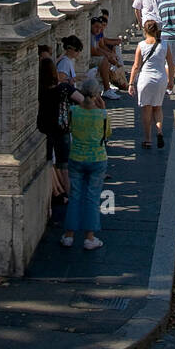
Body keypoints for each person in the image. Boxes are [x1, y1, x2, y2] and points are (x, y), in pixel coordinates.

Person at [60, 90, 108, 251]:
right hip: (97, 158)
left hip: (77, 157)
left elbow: (69, 127)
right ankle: (89, 238)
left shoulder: (73, 111)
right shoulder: (101, 114)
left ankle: (69, 236)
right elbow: (107, 133)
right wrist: (103, 110)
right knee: (92, 198)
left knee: (75, 196)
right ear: (96, 96)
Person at [128, 18, 175, 148]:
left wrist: (131, 83)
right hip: (160, 79)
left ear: (145, 31)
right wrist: (171, 81)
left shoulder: (141, 45)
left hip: (145, 80)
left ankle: (148, 139)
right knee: (158, 108)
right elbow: (171, 64)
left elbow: (136, 66)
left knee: (146, 109)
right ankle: (159, 131)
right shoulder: (164, 45)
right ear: (157, 31)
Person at [37, 44, 71, 204]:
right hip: (59, 128)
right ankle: (62, 192)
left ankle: (59, 192)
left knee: (53, 162)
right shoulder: (62, 89)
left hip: (44, 128)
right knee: (57, 163)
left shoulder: (41, 90)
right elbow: (81, 98)